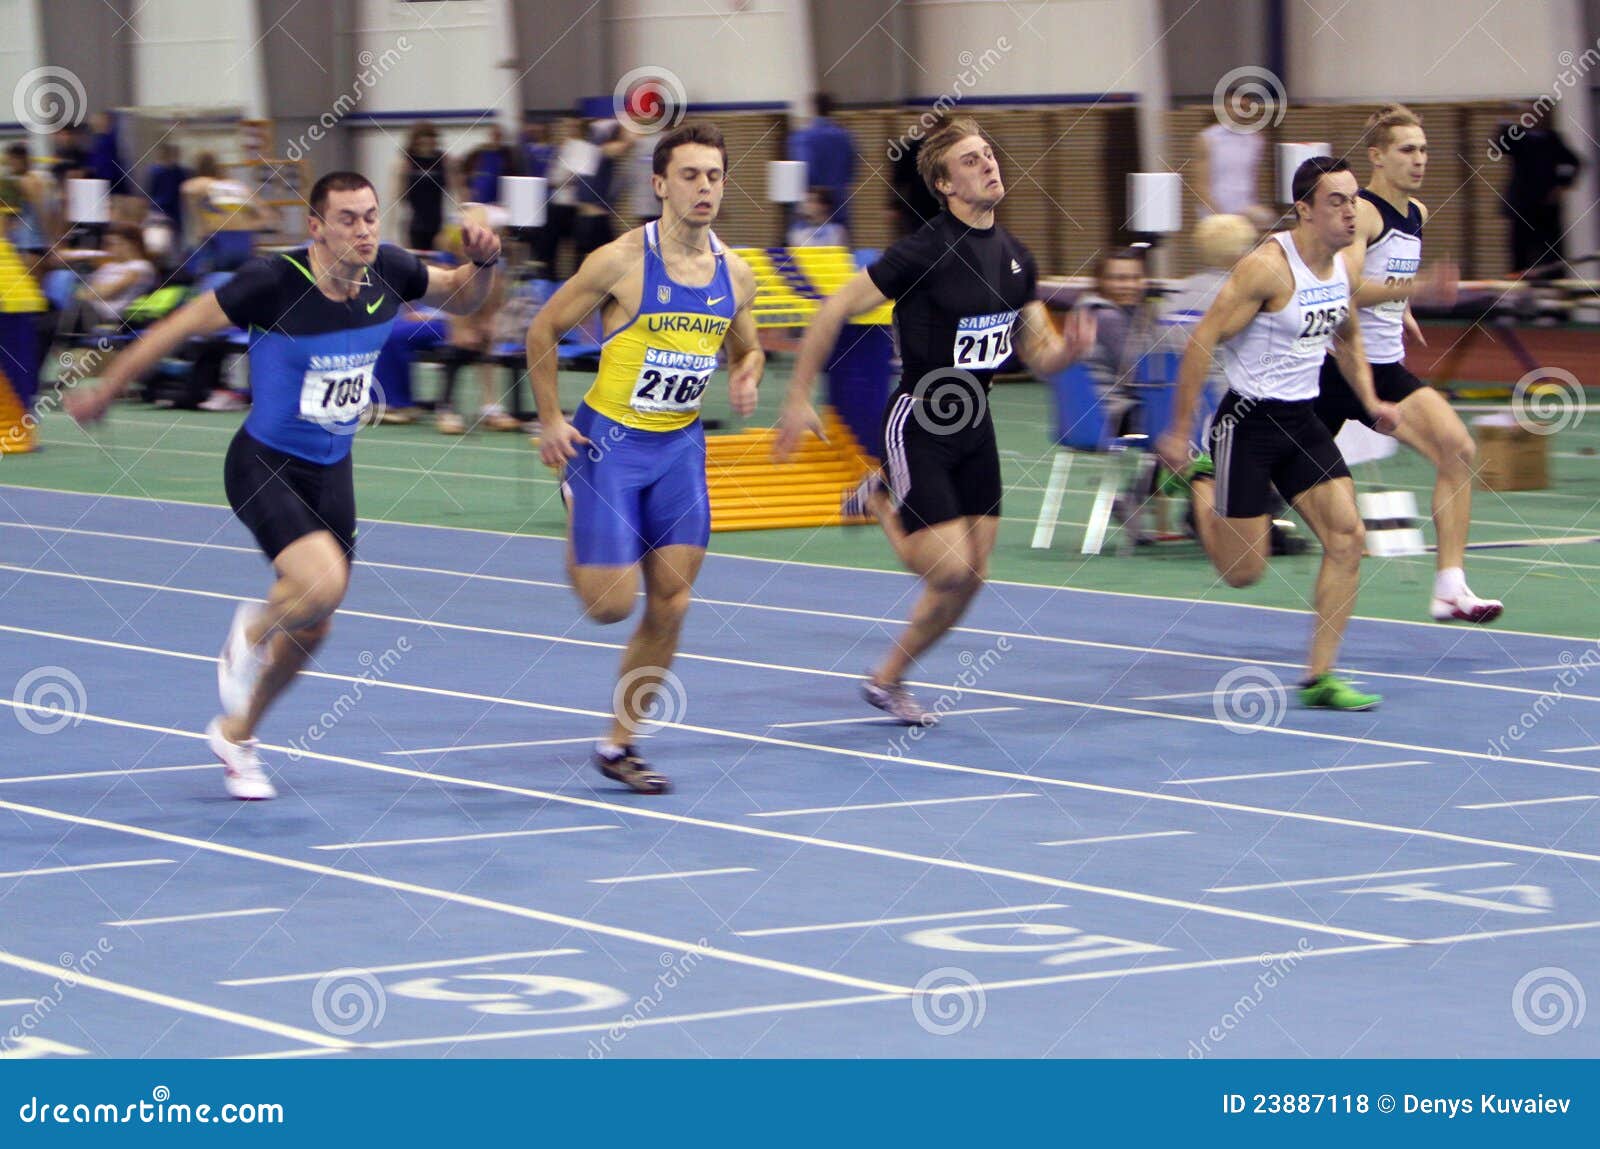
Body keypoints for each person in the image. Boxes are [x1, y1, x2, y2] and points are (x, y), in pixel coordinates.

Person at [67, 171, 502, 799]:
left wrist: (485, 264)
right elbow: (178, 327)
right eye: (348, 219)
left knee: (316, 624)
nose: (363, 230)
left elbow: (464, 298)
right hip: (263, 463)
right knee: (319, 585)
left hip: (332, 472)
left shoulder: (393, 270)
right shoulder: (272, 282)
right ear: (316, 227)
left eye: (372, 216)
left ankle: (237, 736)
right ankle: (250, 627)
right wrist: (109, 387)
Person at [774, 117, 1096, 722]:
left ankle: (886, 679)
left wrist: (1072, 351)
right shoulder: (923, 251)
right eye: (971, 161)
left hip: (977, 428)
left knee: (972, 577)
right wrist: (797, 396)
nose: (989, 165)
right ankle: (878, 497)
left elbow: (1042, 354)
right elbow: (835, 308)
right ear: (946, 185)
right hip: (919, 421)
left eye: (989, 155)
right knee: (947, 567)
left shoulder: (1017, 259)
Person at [527, 122, 763, 794]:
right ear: (659, 184)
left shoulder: (735, 274)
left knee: (673, 602)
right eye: (689, 175)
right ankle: (580, 503)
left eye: (714, 176)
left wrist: (747, 371)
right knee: (609, 605)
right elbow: (543, 327)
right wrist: (550, 418)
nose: (704, 188)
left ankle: (618, 743)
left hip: (680, 449)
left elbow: (747, 346)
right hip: (609, 446)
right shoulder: (621, 261)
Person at [1157, 156, 1401, 711]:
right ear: (1305, 210)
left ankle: (1320, 677)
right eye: (1336, 201)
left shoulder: (1343, 266)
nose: (1350, 211)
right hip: (1247, 424)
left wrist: (1370, 402)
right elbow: (1201, 341)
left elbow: (1347, 337)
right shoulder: (1267, 268)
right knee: (1244, 573)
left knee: (1348, 537)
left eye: (1354, 198)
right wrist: (1178, 432)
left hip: (1302, 420)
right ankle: (1198, 481)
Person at [1314, 104, 1492, 623]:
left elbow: (1385, 275)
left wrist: (1403, 307)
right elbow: (1341, 287)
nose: (1420, 160)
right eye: (1407, 150)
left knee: (1457, 448)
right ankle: (1210, 475)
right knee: (1256, 512)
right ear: (1377, 156)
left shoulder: (1417, 213)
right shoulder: (1363, 212)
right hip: (1334, 368)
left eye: (1424, 150)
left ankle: (1450, 587)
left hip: (1385, 368)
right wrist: (1416, 290)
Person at [1501, 102, 1582, 276]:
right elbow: (1501, 145)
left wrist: (1562, 185)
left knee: (1551, 253)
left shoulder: (1552, 139)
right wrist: (1509, 121)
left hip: (1545, 207)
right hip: (1522, 206)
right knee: (1520, 253)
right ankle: (1518, 288)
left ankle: (1555, 286)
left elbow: (1574, 162)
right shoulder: (1520, 137)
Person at [787, 93, 855, 231]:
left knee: (809, 250)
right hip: (839, 204)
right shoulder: (845, 137)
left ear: (813, 108)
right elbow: (852, 168)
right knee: (840, 248)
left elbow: (803, 171)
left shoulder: (803, 138)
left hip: (813, 208)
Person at [396, 122, 450, 251]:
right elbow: (399, 196)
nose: (426, 145)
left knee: (437, 263)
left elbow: (455, 191)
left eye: (430, 141)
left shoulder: (443, 160)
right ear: (416, 142)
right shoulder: (407, 162)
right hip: (415, 223)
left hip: (438, 222)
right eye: (422, 142)